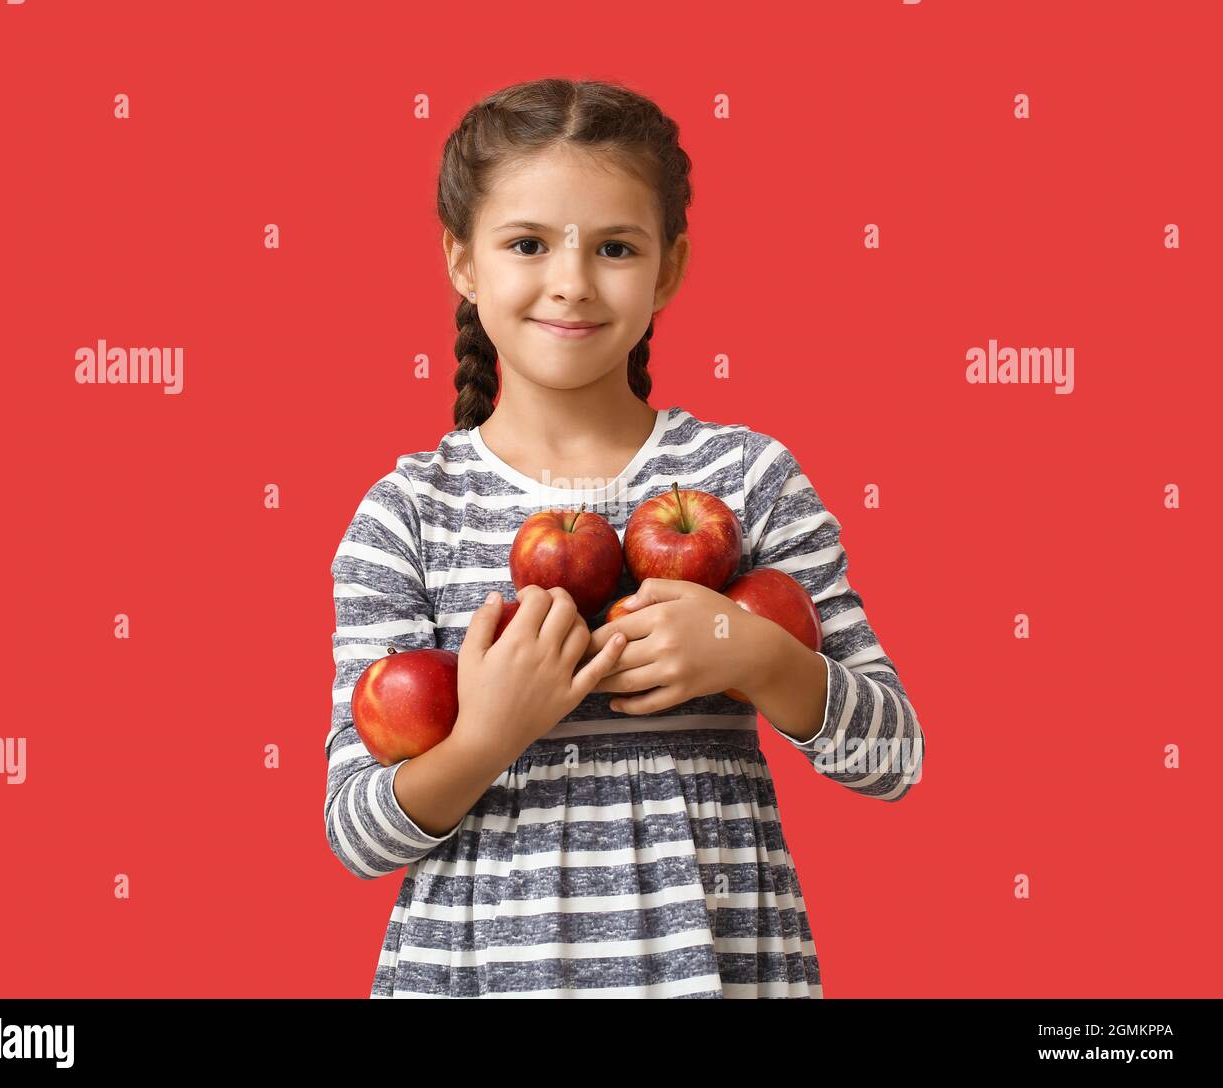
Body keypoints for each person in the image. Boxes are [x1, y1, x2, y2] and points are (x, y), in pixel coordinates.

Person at [324, 78, 926, 998]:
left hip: (716, 974)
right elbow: (357, 833)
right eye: (527, 244)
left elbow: (892, 759)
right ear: (462, 261)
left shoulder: (749, 480)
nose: (570, 279)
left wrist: (753, 653)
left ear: (668, 268)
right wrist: (488, 735)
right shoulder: (407, 514)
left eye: (614, 247)